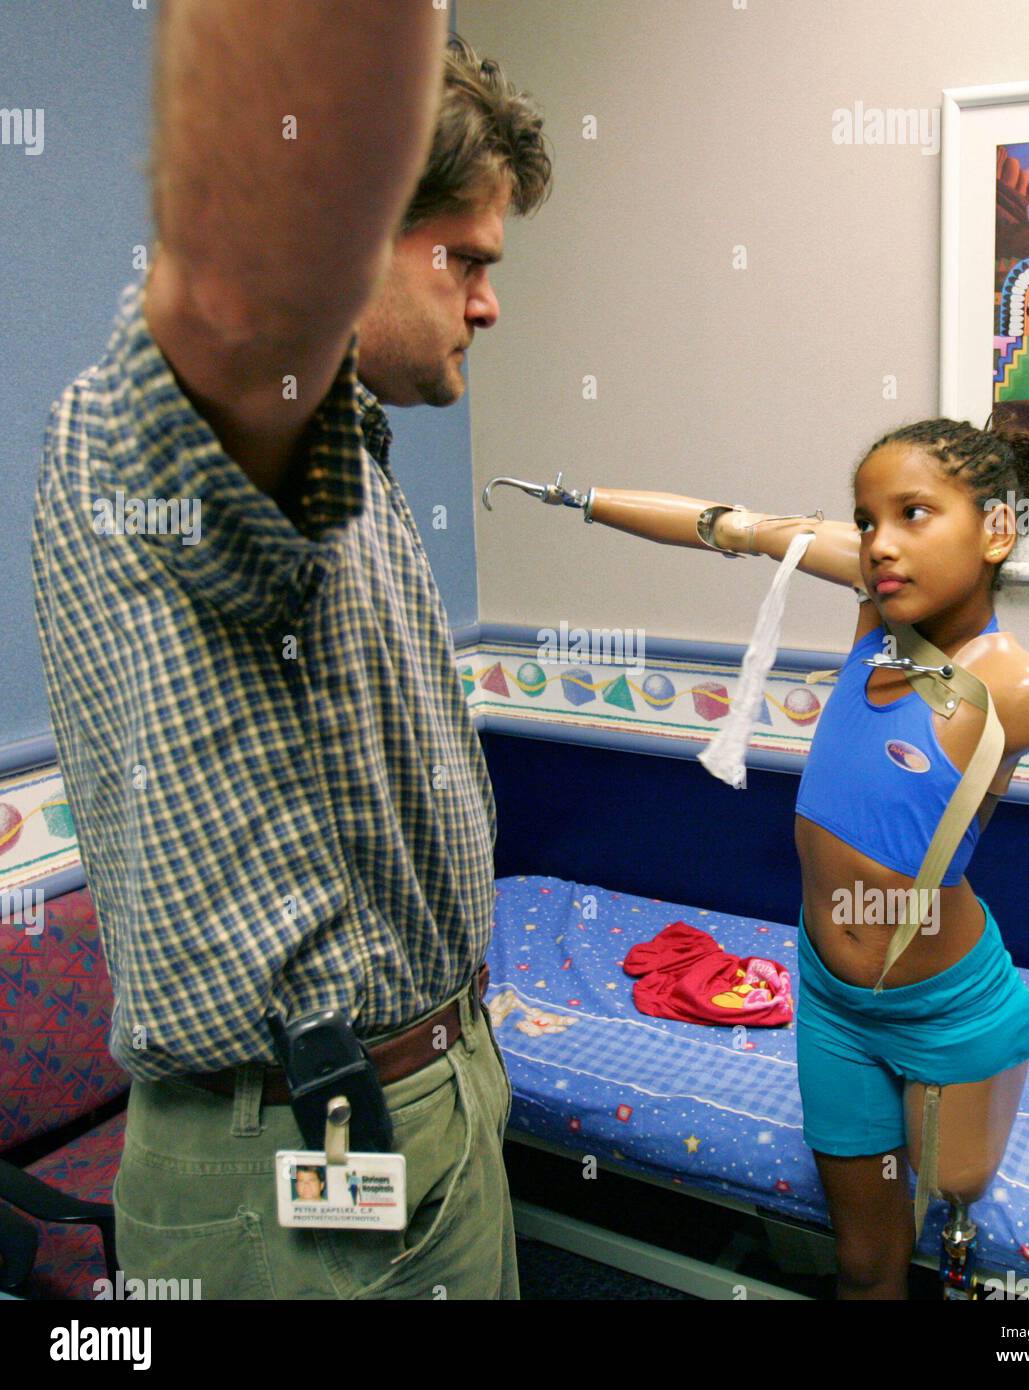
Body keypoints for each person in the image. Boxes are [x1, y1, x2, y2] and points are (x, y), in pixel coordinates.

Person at [30, 3, 552, 1300]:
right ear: (349, 228)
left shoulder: (350, 474)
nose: (488, 306)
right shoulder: (162, 440)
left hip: (431, 1092)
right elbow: (239, 294)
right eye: (462, 260)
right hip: (301, 1146)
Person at [703, 419, 1029, 1296]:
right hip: (829, 1000)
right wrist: (603, 505)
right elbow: (800, 545)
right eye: (865, 521)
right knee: (864, 1263)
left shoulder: (1008, 683)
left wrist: (798, 546)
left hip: (944, 1009)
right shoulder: (875, 630)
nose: (879, 543)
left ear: (997, 531)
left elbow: (950, 680)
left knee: (951, 1196)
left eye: (912, 513)